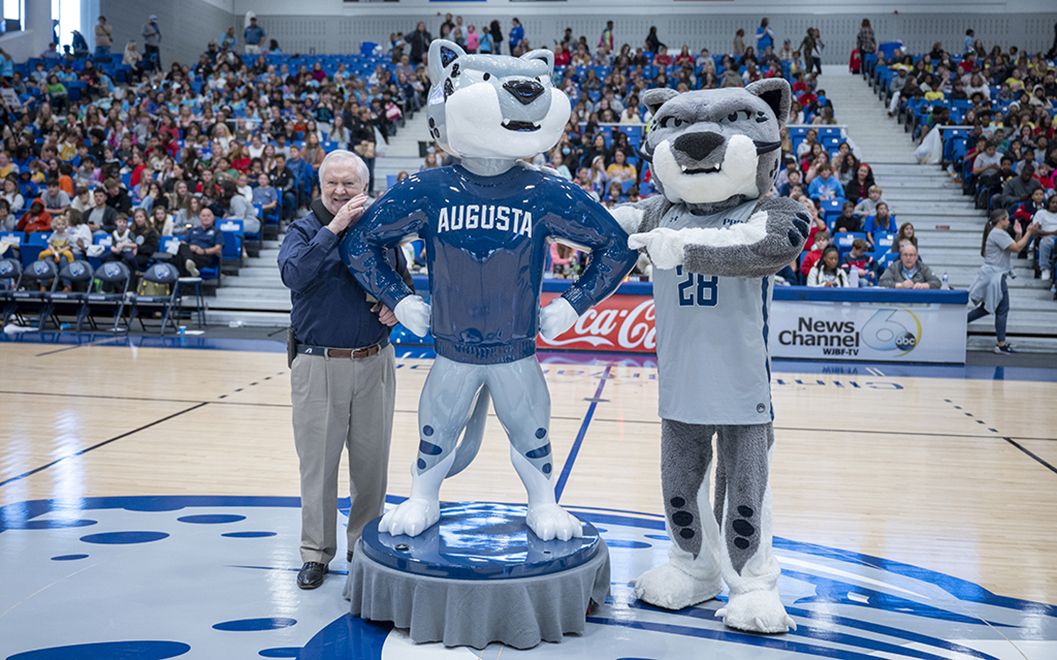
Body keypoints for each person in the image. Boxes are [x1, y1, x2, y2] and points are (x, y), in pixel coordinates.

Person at [277, 150, 409, 590]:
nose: (339, 192)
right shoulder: (304, 229)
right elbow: (294, 275)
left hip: (375, 361)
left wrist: (396, 307)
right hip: (319, 365)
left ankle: (365, 548)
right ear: (320, 186)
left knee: (372, 466)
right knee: (318, 467)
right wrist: (333, 230)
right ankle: (316, 553)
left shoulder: (382, 232)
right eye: (332, 183)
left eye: (348, 184)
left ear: (364, 187)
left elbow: (404, 285)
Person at [968, 209, 1039, 353]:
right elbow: (1017, 248)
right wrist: (1028, 232)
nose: (1009, 221)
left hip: (993, 275)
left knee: (988, 308)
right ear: (1001, 220)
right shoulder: (998, 233)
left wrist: (1018, 233)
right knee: (1002, 309)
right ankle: (1001, 344)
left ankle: (960, 321)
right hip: (996, 276)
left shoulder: (996, 233)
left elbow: (1013, 247)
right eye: (1007, 219)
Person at [177, 207, 223, 277]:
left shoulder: (217, 231)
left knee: (179, 259)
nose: (206, 218)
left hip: (204, 257)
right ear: (200, 218)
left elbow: (218, 249)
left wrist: (203, 251)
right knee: (181, 247)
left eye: (208, 216)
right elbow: (183, 243)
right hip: (191, 254)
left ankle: (183, 285)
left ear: (213, 218)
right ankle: (189, 263)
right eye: (203, 216)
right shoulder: (192, 230)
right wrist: (191, 247)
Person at [1033, 194, 1057, 283]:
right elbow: (1035, 230)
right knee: (1044, 243)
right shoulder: (1041, 213)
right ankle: (1045, 269)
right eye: (1053, 202)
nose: (1055, 205)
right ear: (1049, 203)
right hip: (1047, 237)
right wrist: (1051, 233)